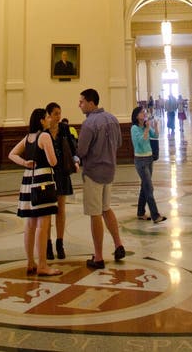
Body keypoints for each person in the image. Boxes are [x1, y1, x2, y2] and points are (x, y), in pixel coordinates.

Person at [9, 108, 62, 277]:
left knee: (30, 224)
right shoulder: (44, 136)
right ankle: (43, 265)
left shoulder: (28, 138)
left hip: (28, 181)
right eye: (47, 117)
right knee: (42, 225)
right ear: (41, 120)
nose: (49, 120)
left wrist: (25, 163)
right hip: (43, 180)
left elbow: (12, 154)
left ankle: (30, 261)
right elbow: (53, 161)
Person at [76, 88, 125, 269]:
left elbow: (81, 151)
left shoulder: (89, 124)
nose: (79, 104)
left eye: (81, 101)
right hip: (110, 171)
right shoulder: (112, 119)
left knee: (95, 213)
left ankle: (98, 257)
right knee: (106, 208)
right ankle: (119, 244)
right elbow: (119, 143)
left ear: (90, 102)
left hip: (93, 173)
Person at [45, 101, 79, 260]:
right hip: (47, 174)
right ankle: (47, 243)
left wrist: (76, 161)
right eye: (55, 114)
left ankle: (60, 242)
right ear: (49, 115)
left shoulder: (65, 129)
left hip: (62, 173)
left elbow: (73, 148)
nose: (59, 116)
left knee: (61, 209)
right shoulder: (43, 131)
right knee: (47, 211)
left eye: (60, 113)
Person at [130, 106, 166, 223]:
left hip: (149, 158)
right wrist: (146, 128)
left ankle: (140, 212)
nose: (144, 114)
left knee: (144, 186)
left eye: (144, 112)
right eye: (142, 112)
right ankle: (155, 215)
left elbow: (155, 136)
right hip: (140, 161)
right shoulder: (134, 128)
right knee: (149, 188)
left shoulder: (145, 126)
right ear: (136, 116)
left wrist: (155, 127)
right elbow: (142, 141)